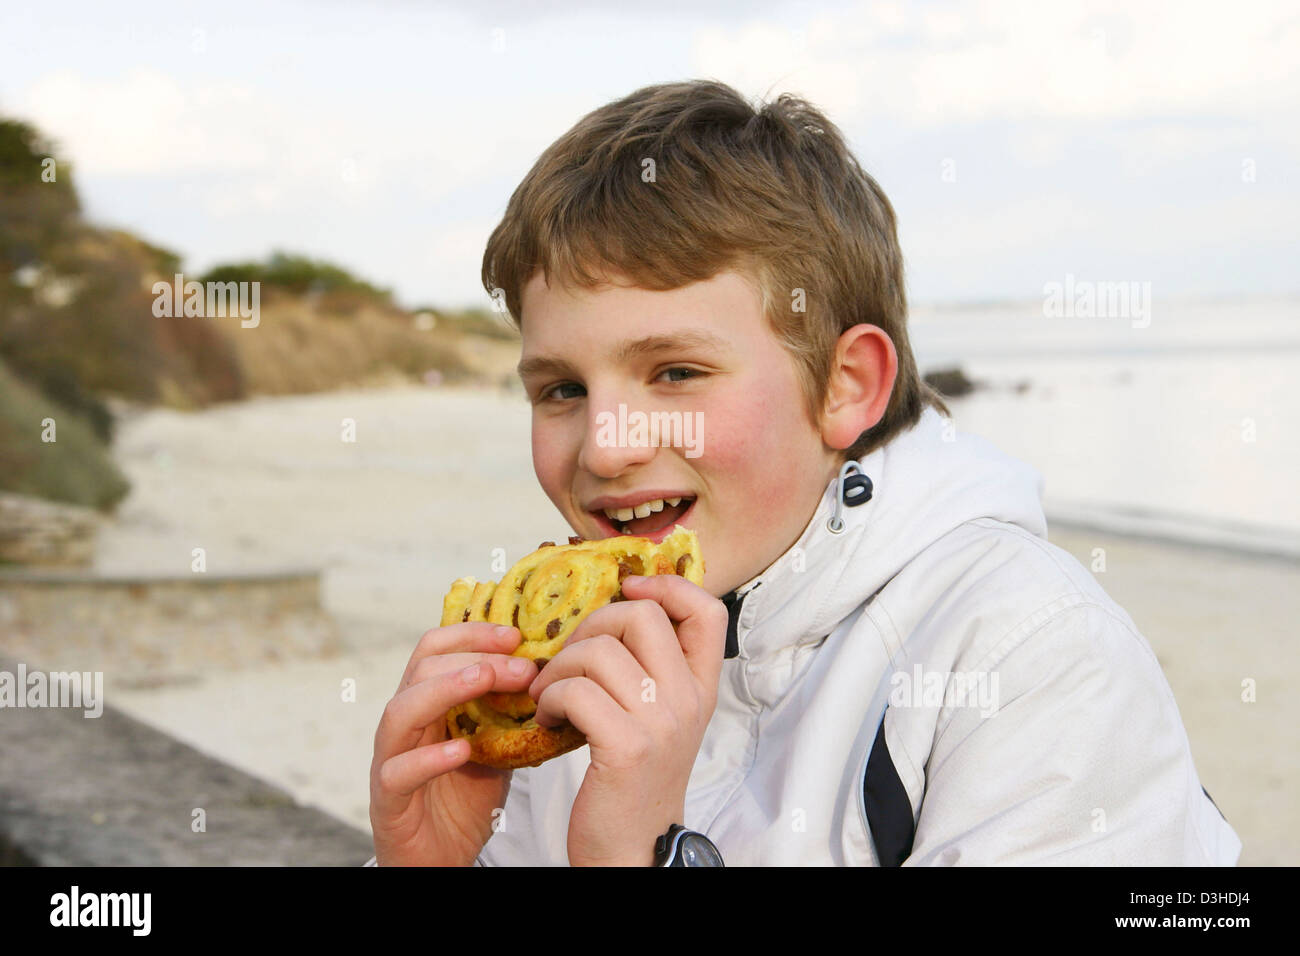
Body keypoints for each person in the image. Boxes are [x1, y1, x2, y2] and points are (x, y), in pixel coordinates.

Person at [366, 79, 1241, 866]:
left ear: (845, 385)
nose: (605, 446)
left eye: (675, 372)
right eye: (561, 388)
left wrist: (648, 856)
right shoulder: (570, 675)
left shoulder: (1030, 652)